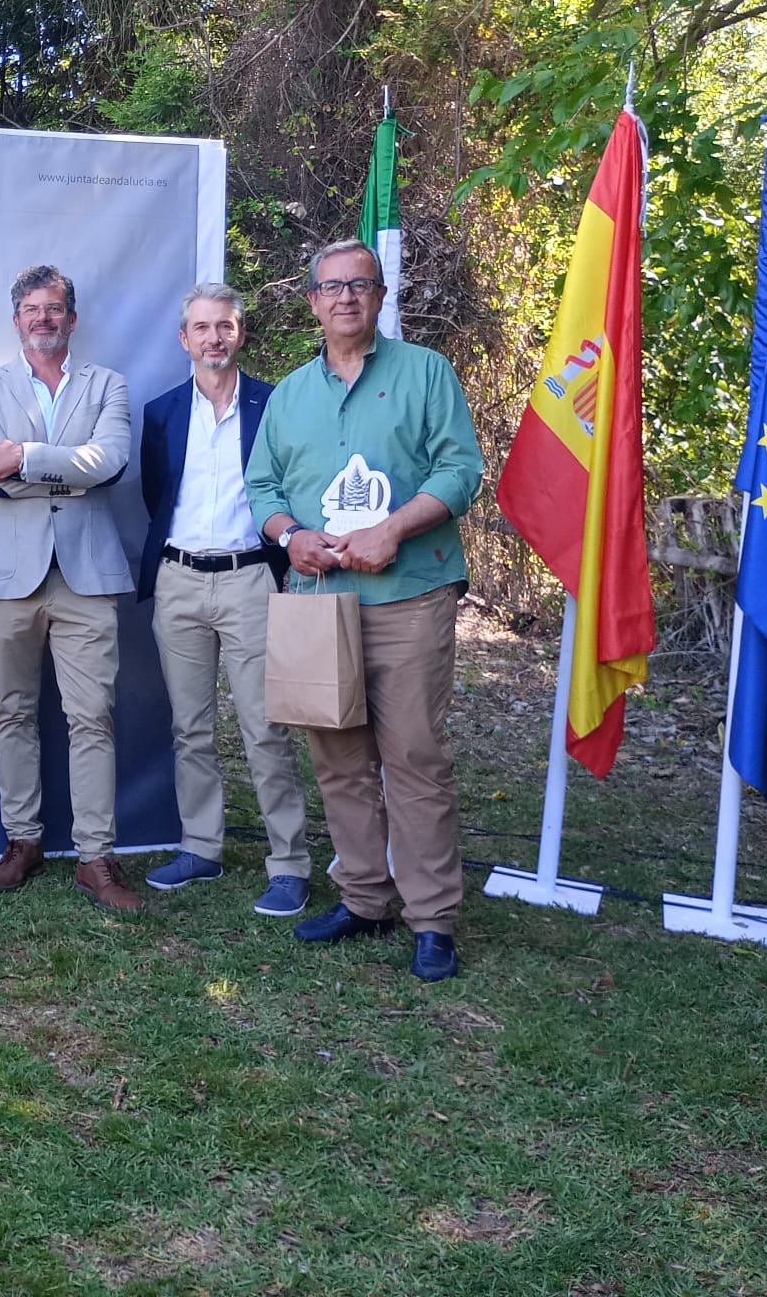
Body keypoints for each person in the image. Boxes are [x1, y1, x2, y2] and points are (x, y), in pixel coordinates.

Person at [244, 239, 484, 981]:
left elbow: (460, 470)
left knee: (413, 757)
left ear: (380, 298)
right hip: (322, 602)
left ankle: (431, 919)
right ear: (312, 302)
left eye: (360, 285)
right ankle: (364, 898)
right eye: (331, 287)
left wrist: (393, 529)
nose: (346, 297)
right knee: (340, 761)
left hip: (409, 595)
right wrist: (292, 536)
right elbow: (263, 490)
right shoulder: (288, 396)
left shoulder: (425, 373)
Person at [0, 265, 141, 912]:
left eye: (55, 307)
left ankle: (96, 858)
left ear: (72, 317)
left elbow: (110, 461)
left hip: (87, 575)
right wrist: (63, 468)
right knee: (13, 711)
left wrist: (27, 458)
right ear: (17, 320)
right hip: (7, 575)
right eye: (32, 308)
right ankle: (22, 841)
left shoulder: (108, 385)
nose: (43, 317)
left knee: (92, 716)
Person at [137, 284, 308, 915]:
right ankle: (200, 847)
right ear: (184, 339)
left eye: (225, 327)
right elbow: (158, 495)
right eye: (201, 327)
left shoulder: (275, 404)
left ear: (240, 334)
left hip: (250, 579)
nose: (214, 338)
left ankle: (288, 862)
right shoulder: (161, 412)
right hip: (179, 580)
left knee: (266, 727)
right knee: (190, 727)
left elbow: (291, 483)